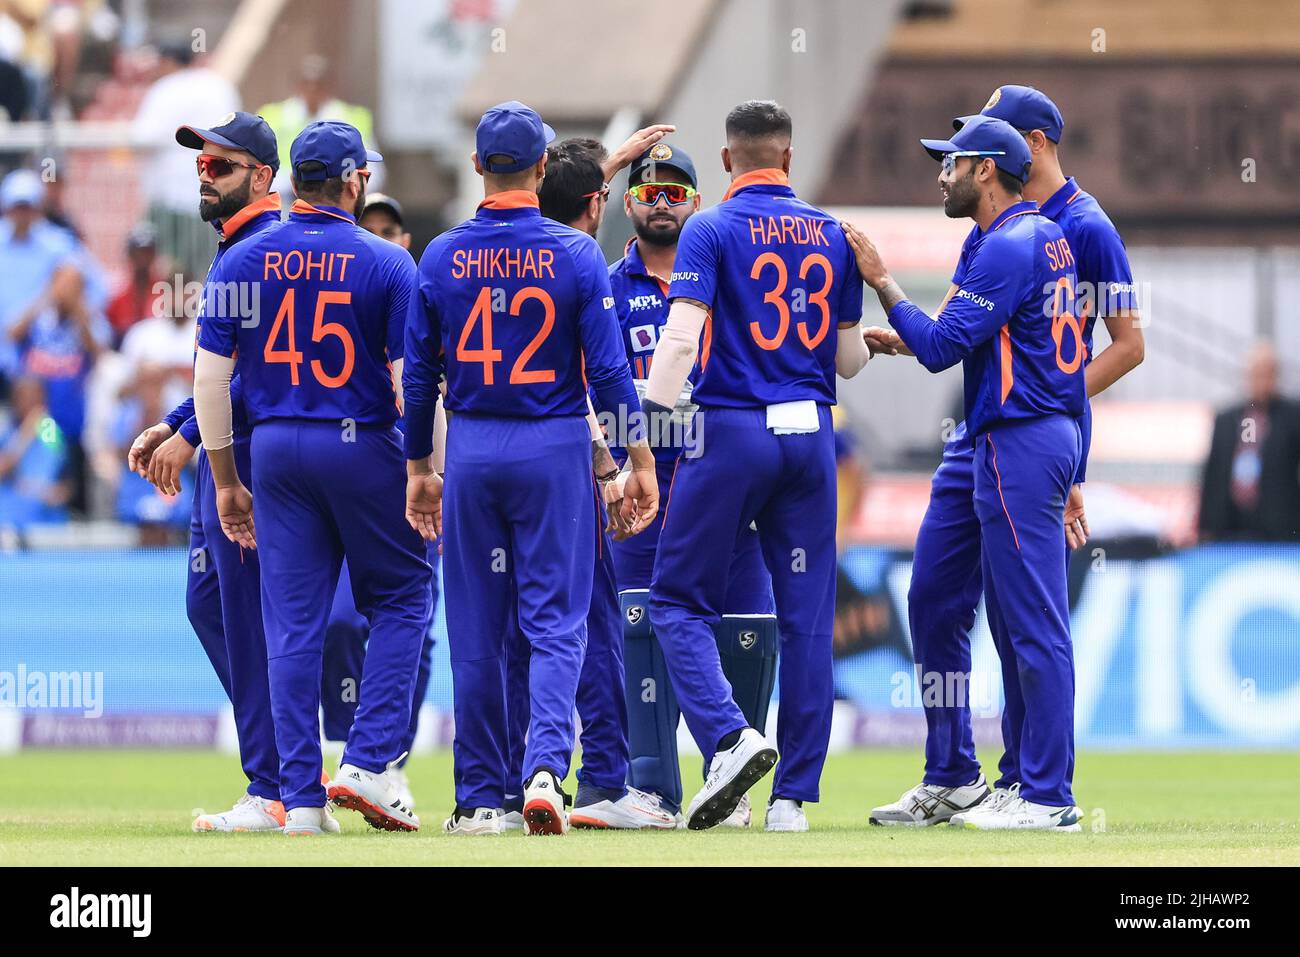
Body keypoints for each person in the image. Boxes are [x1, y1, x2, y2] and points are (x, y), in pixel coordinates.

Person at [865, 86, 1143, 828]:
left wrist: (1060, 433)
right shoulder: (1002, 229)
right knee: (933, 597)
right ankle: (954, 774)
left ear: (1021, 149)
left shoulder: (1081, 228)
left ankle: (1038, 786)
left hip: (1023, 430)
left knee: (1026, 616)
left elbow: (1127, 345)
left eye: (959, 154)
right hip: (984, 437)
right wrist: (911, 334)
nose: (946, 167)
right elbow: (958, 325)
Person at [403, 100, 657, 836]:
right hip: (553, 446)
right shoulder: (577, 256)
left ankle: (484, 797)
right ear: (544, 168)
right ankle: (546, 767)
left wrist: (420, 463)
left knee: (478, 631)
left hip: (474, 446)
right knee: (557, 622)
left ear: (479, 166)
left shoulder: (441, 253)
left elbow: (421, 379)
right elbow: (610, 374)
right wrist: (637, 461)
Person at [193, 120, 431, 838]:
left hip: (273, 449)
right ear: (356, 181)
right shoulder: (389, 263)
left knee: (289, 624)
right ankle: (364, 759)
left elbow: (211, 380)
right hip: (361, 443)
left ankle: (298, 801)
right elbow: (411, 383)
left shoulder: (242, 260)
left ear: (292, 181)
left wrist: (228, 478)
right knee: (404, 594)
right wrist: (426, 467)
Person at [641, 100, 870, 832]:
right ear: (791, 159)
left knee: (676, 599)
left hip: (730, 429)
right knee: (806, 622)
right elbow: (851, 360)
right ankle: (794, 800)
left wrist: (639, 428)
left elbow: (678, 343)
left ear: (727, 159)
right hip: (809, 439)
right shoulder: (831, 233)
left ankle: (729, 737)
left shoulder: (709, 229)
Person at [606, 141, 780, 829]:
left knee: (745, 625)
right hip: (640, 482)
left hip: (722, 476)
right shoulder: (607, 286)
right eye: (650, 192)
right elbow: (599, 379)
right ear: (629, 203)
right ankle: (651, 789)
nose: (661, 202)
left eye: (676, 192)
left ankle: (729, 779)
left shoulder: (729, 276)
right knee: (644, 622)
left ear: (697, 203)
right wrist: (618, 460)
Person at [505, 139, 675, 831]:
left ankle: (497, 785)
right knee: (586, 623)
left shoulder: (478, 254)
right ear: (597, 204)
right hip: (566, 460)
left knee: (510, 630)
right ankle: (599, 776)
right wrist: (617, 465)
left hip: (487, 459)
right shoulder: (581, 268)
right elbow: (592, 382)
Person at [126, 111, 287, 833]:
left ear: (262, 174)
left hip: (245, 462)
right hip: (220, 450)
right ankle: (285, 752)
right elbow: (219, 372)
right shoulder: (236, 249)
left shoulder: (267, 249)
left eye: (219, 165)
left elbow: (258, 371)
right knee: (208, 606)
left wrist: (193, 438)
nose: (205, 175)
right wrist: (176, 423)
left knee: (249, 625)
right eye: (200, 165)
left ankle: (275, 785)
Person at [318, 189, 440, 813]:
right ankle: (354, 751)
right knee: (345, 619)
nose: (384, 238)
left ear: (405, 237)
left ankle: (386, 760)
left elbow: (434, 387)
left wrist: (434, 467)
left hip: (415, 472)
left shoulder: (424, 289)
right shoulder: (353, 290)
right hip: (365, 469)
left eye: (392, 229)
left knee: (416, 630)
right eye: (373, 229)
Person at [130, 39, 240, 279]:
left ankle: (181, 313)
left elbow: (142, 138)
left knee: (174, 271)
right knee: (209, 268)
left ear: (168, 61)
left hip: (172, 200)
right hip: (219, 196)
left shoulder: (166, 88)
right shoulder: (217, 84)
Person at [9, 264, 109, 515]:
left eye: (72, 286)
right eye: (61, 284)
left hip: (69, 423)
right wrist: (46, 297)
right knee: (33, 473)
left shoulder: (89, 320)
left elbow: (100, 357)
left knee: (67, 482)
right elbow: (12, 334)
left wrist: (77, 310)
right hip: (34, 423)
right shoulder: (40, 319)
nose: (65, 291)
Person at [1199, 342, 1300, 542]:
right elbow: (1212, 473)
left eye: (1267, 374)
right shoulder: (1226, 419)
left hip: (1278, 528)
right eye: (1256, 374)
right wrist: (1206, 524)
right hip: (1230, 525)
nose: (1261, 381)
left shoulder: (1292, 417)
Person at [258, 54, 378, 197]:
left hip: (335, 198)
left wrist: (336, 185)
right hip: (284, 201)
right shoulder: (273, 117)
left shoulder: (352, 119)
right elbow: (258, 171)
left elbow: (374, 173)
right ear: (298, 85)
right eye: (307, 83)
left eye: (318, 84)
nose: (312, 89)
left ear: (329, 86)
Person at [0, 376, 69, 529]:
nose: (27, 403)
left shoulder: (49, 430)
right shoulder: (7, 430)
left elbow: (63, 475)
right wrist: (26, 433)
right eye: (22, 397)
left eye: (33, 397)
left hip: (41, 517)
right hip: (9, 513)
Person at [105, 223, 170, 347]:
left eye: (147, 252)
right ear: (129, 254)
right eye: (138, 252)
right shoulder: (116, 294)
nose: (142, 258)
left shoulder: (165, 291)